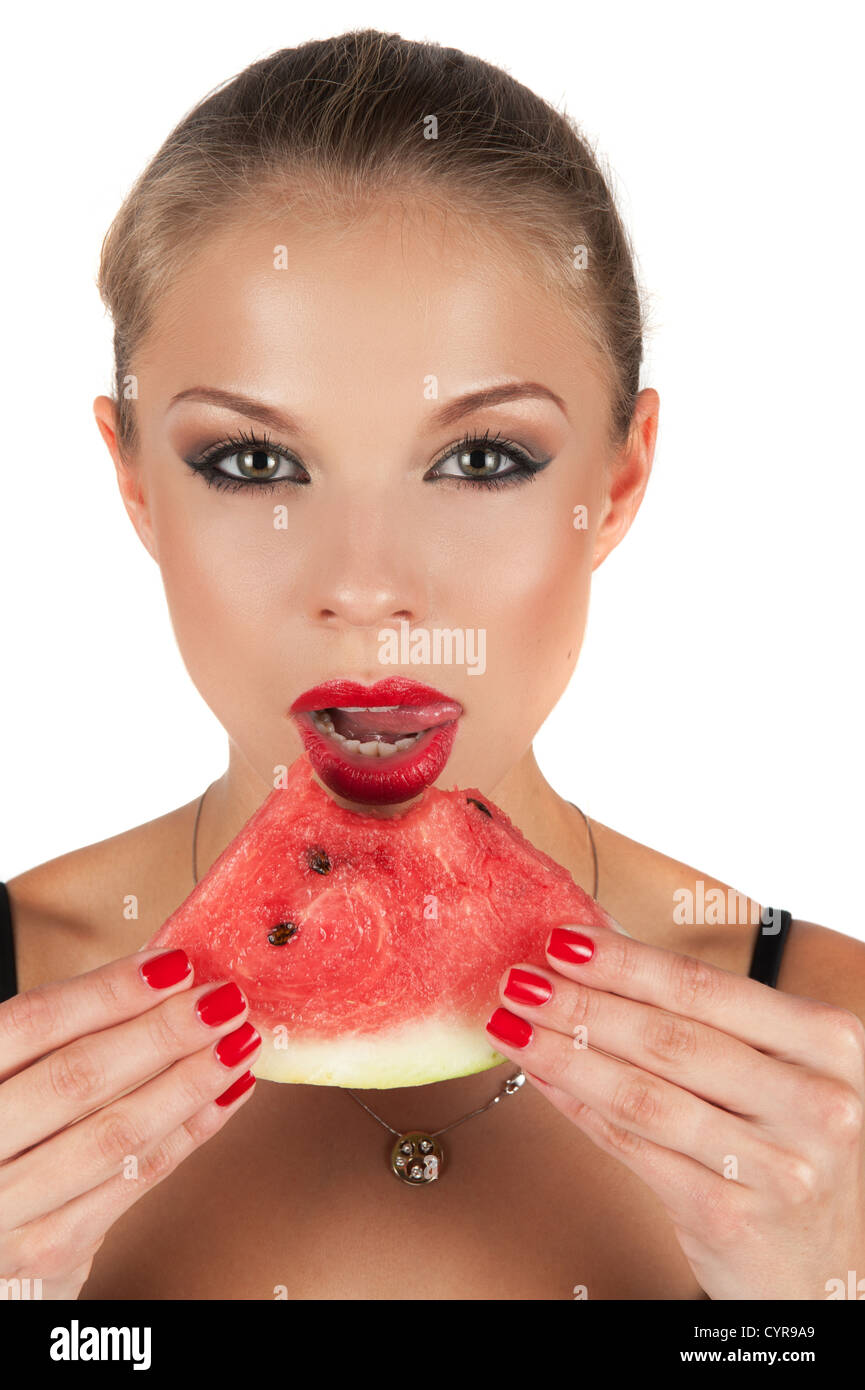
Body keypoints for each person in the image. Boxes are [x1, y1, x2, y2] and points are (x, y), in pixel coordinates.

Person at [1, 29, 863, 1301]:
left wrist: (805, 1310)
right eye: (251, 462)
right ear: (133, 482)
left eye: (481, 460)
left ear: (617, 480)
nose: (365, 587)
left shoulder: (833, 1061)